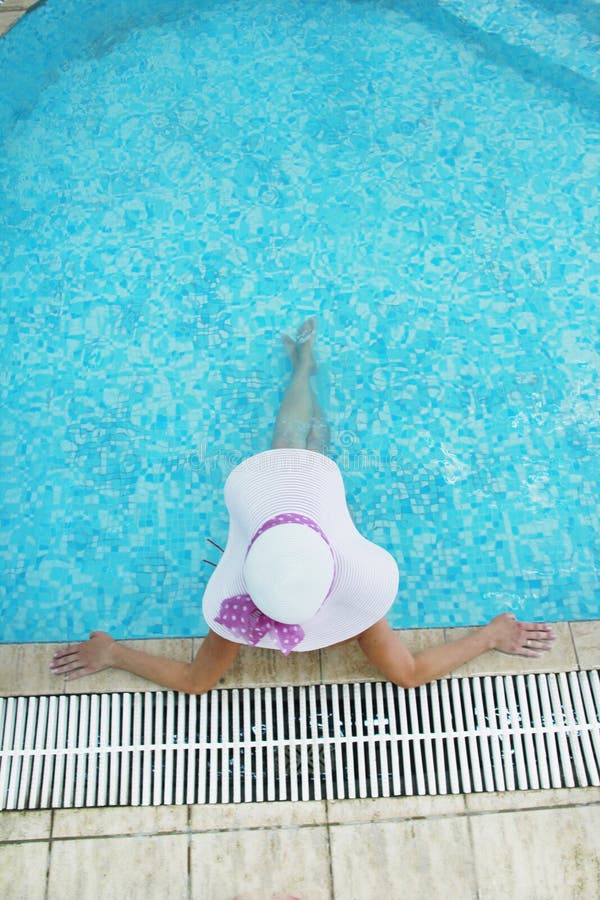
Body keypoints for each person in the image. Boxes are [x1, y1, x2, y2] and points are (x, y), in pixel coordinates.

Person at [50, 317, 556, 692]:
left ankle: (303, 368)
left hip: (289, 520)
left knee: (294, 440)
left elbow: (194, 681)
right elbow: (409, 673)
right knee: (303, 441)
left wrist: (116, 651)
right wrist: (487, 635)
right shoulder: (347, 605)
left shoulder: (244, 609)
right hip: (300, 520)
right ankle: (305, 368)